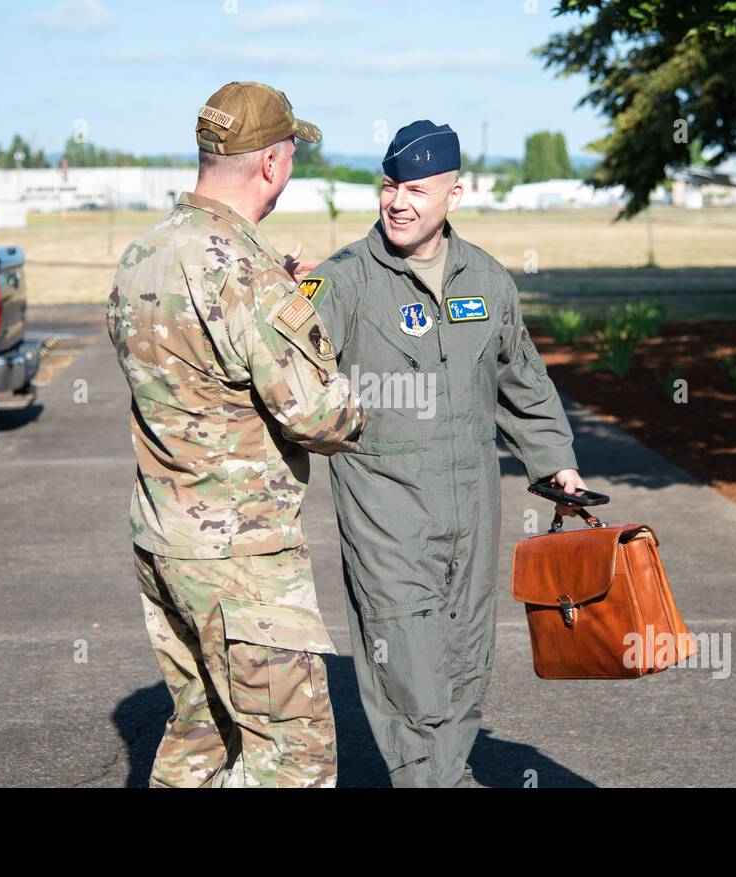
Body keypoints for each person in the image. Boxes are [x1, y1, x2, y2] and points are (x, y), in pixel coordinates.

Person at [302, 120, 586, 788]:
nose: (398, 201)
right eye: (389, 185)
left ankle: (445, 772)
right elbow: (285, 370)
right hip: (387, 511)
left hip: (472, 508)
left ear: (454, 195)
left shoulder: (486, 280)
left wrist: (555, 461)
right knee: (411, 665)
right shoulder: (342, 282)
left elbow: (522, 379)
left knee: (464, 661)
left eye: (417, 189)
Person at [106, 81, 365, 788]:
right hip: (241, 565)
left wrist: (274, 300)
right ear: (272, 166)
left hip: (164, 540)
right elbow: (323, 417)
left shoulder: (144, 255)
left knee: (201, 737)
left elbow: (189, 365)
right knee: (293, 762)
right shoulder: (248, 274)